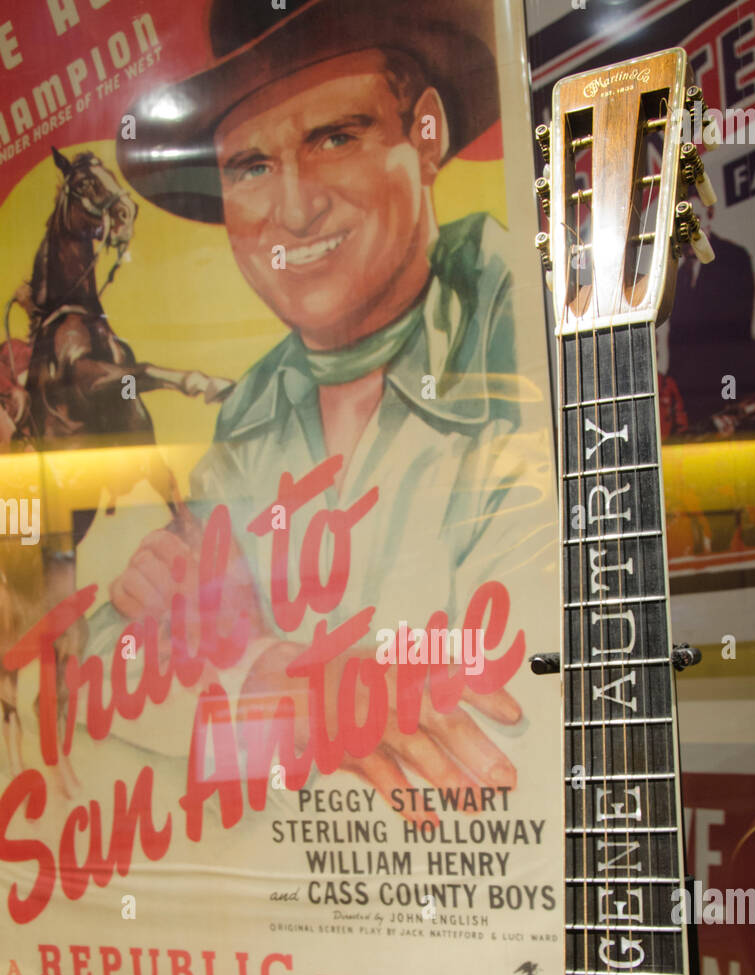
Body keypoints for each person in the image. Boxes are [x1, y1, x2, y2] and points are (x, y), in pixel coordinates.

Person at [83, 0, 555, 809]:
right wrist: (278, 677)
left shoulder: (533, 342)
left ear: (428, 136)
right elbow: (102, 680)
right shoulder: (256, 411)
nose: (293, 211)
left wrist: (236, 672)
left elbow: (520, 722)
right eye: (251, 168)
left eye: (336, 137)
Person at [668, 192, 755, 430]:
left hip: (726, 395)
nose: (687, 229)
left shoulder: (734, 259)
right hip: (689, 400)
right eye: (681, 223)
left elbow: (736, 334)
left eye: (694, 219)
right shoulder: (676, 275)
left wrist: (731, 402)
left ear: (709, 217)